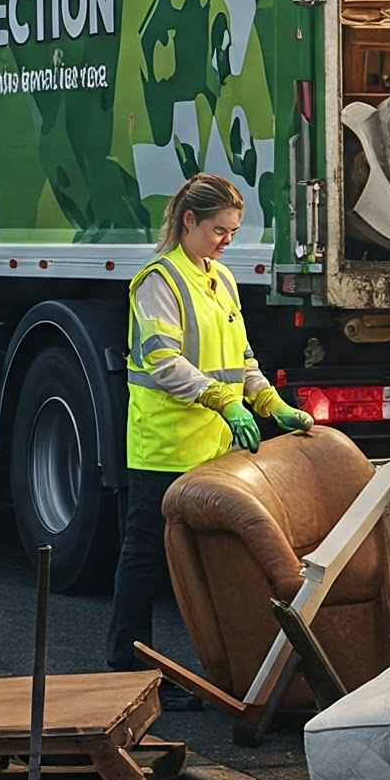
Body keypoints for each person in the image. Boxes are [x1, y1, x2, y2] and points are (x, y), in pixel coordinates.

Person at [106, 173, 313, 684]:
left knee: (207, 563)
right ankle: (128, 664)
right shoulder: (159, 281)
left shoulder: (221, 279)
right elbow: (163, 361)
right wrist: (224, 401)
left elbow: (241, 358)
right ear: (188, 221)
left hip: (214, 448)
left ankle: (219, 670)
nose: (226, 241)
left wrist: (269, 403)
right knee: (147, 557)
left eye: (233, 232)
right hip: (165, 446)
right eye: (219, 230)